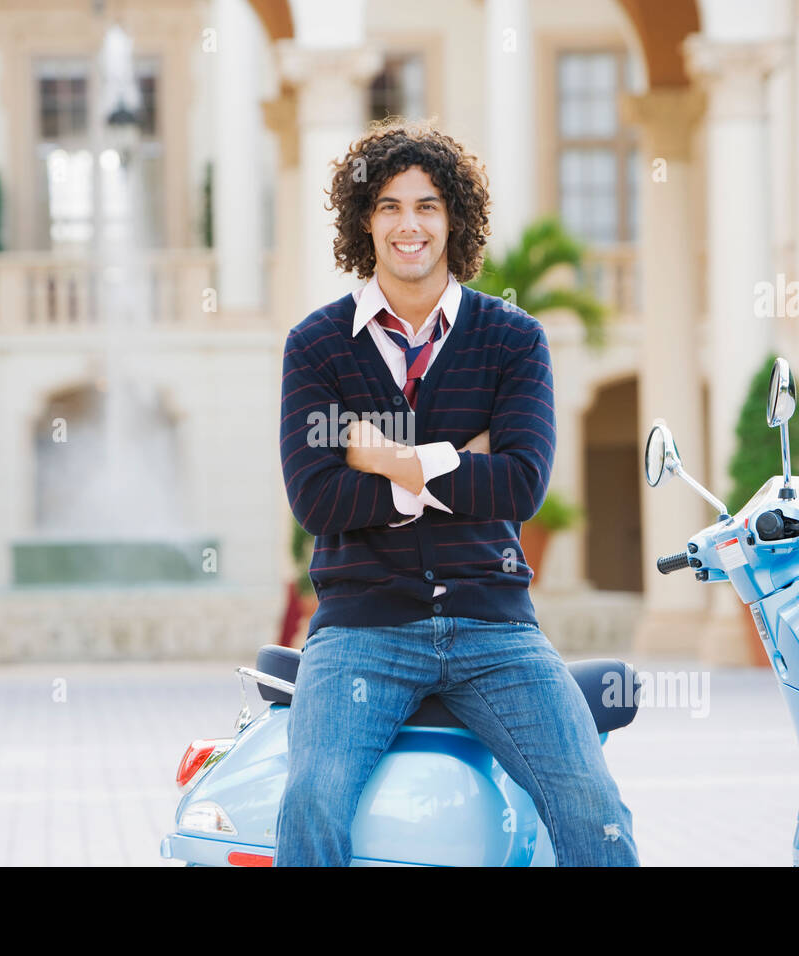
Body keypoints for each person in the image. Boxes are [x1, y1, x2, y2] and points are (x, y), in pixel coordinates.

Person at [275, 119, 638, 867]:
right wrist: (454, 466)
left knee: (595, 808)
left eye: (429, 206)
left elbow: (522, 484)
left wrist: (385, 460)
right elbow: (316, 501)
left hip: (493, 625)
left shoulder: (512, 339)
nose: (410, 225)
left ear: (455, 220)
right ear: (363, 222)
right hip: (361, 628)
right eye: (389, 206)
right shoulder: (314, 347)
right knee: (309, 801)